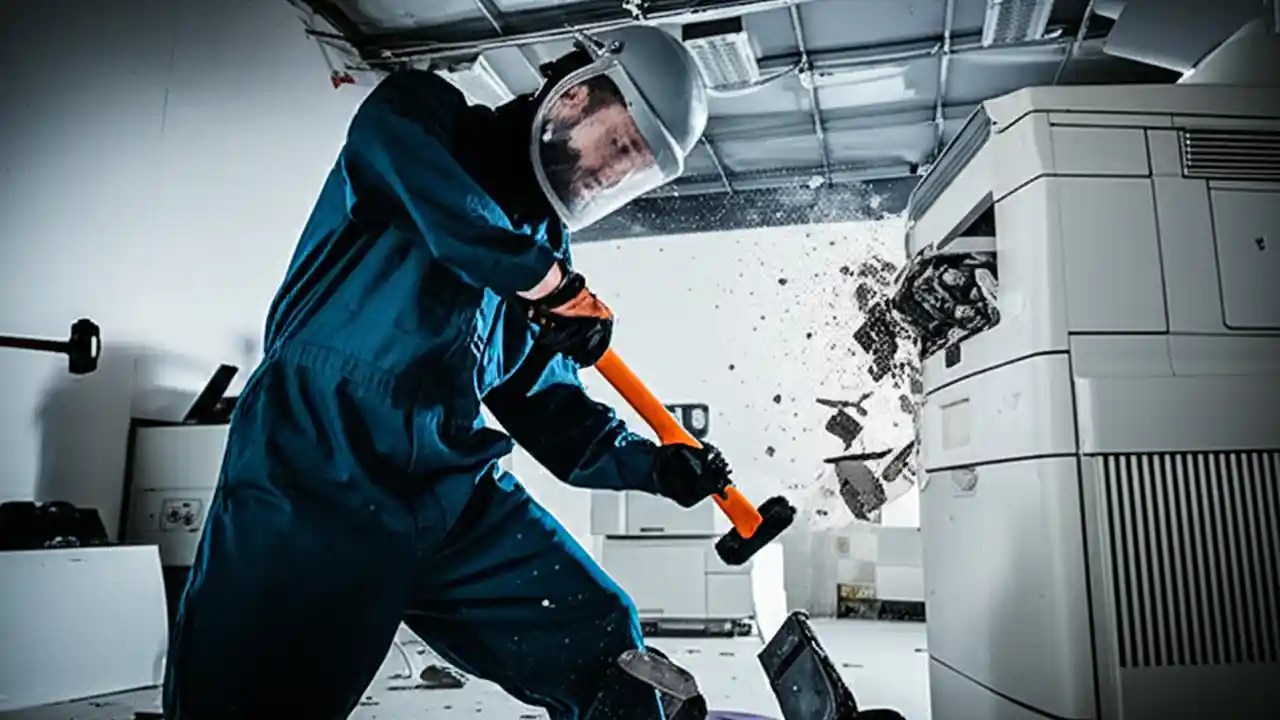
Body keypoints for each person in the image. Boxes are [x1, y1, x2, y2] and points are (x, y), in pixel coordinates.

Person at [162, 24, 726, 720]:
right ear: (579, 95)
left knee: (604, 644)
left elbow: (548, 404)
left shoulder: (544, 249)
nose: (613, 174)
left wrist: (655, 466)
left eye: (632, 166)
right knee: (243, 698)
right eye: (619, 143)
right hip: (314, 465)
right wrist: (544, 283)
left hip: (446, 487)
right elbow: (440, 203)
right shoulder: (422, 118)